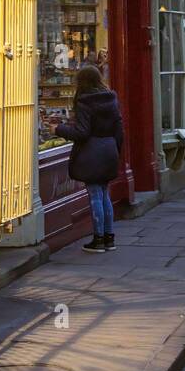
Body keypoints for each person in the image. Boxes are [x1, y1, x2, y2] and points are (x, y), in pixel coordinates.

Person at [56, 65, 124, 253]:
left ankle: (98, 239)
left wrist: (59, 129)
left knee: (95, 194)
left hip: (92, 152)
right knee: (104, 194)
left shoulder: (85, 102)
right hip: (109, 149)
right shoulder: (111, 99)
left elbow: (82, 132)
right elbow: (119, 130)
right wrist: (115, 150)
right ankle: (109, 238)